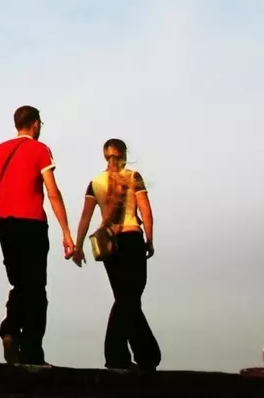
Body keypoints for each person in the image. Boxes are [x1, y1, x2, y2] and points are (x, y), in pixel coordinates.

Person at [0, 105, 73, 366]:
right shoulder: (40, 150)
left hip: (4, 222)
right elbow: (52, 192)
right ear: (36, 124)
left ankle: (10, 331)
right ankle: (32, 352)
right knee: (36, 288)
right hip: (31, 222)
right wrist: (66, 232)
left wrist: (7, 194)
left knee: (20, 283)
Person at [70, 138, 161, 371]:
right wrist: (149, 239)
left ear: (105, 156)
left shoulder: (94, 182)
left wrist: (78, 246)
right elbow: (146, 211)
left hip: (109, 244)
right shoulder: (134, 177)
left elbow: (85, 217)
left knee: (124, 298)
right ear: (124, 154)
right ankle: (131, 355)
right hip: (132, 240)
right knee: (129, 298)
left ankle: (136, 354)